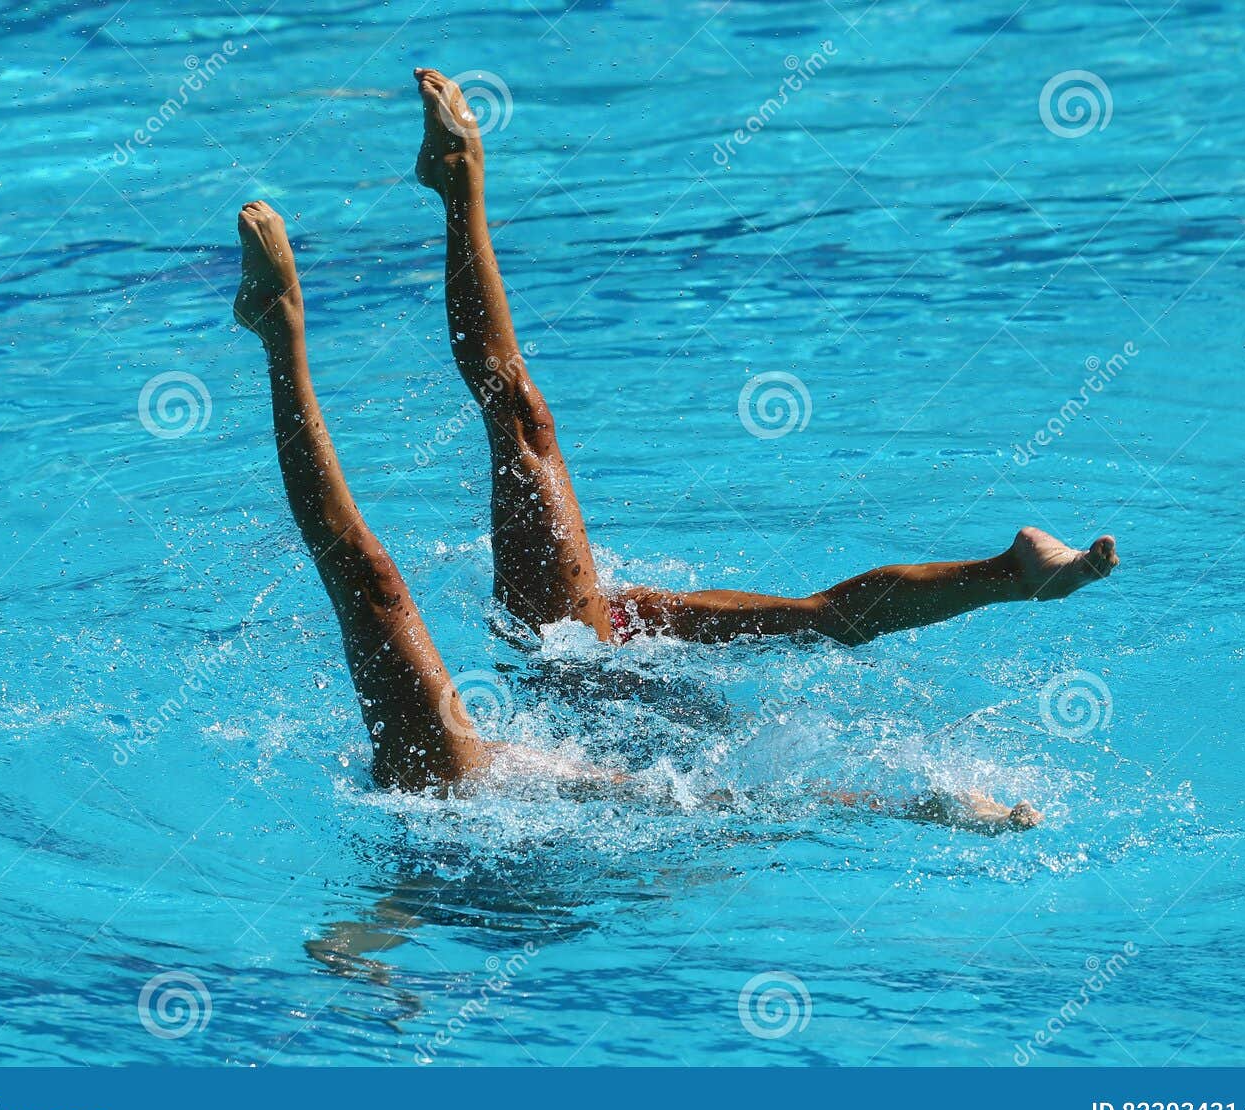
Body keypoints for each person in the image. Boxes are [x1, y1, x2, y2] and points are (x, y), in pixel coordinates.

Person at [229, 69, 1120, 828]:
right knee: (383, 573)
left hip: (577, 674)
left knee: (521, 431)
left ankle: (450, 192)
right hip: (570, 725)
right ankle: (286, 329)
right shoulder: (466, 785)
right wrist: (922, 808)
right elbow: (752, 803)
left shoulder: (482, 753)